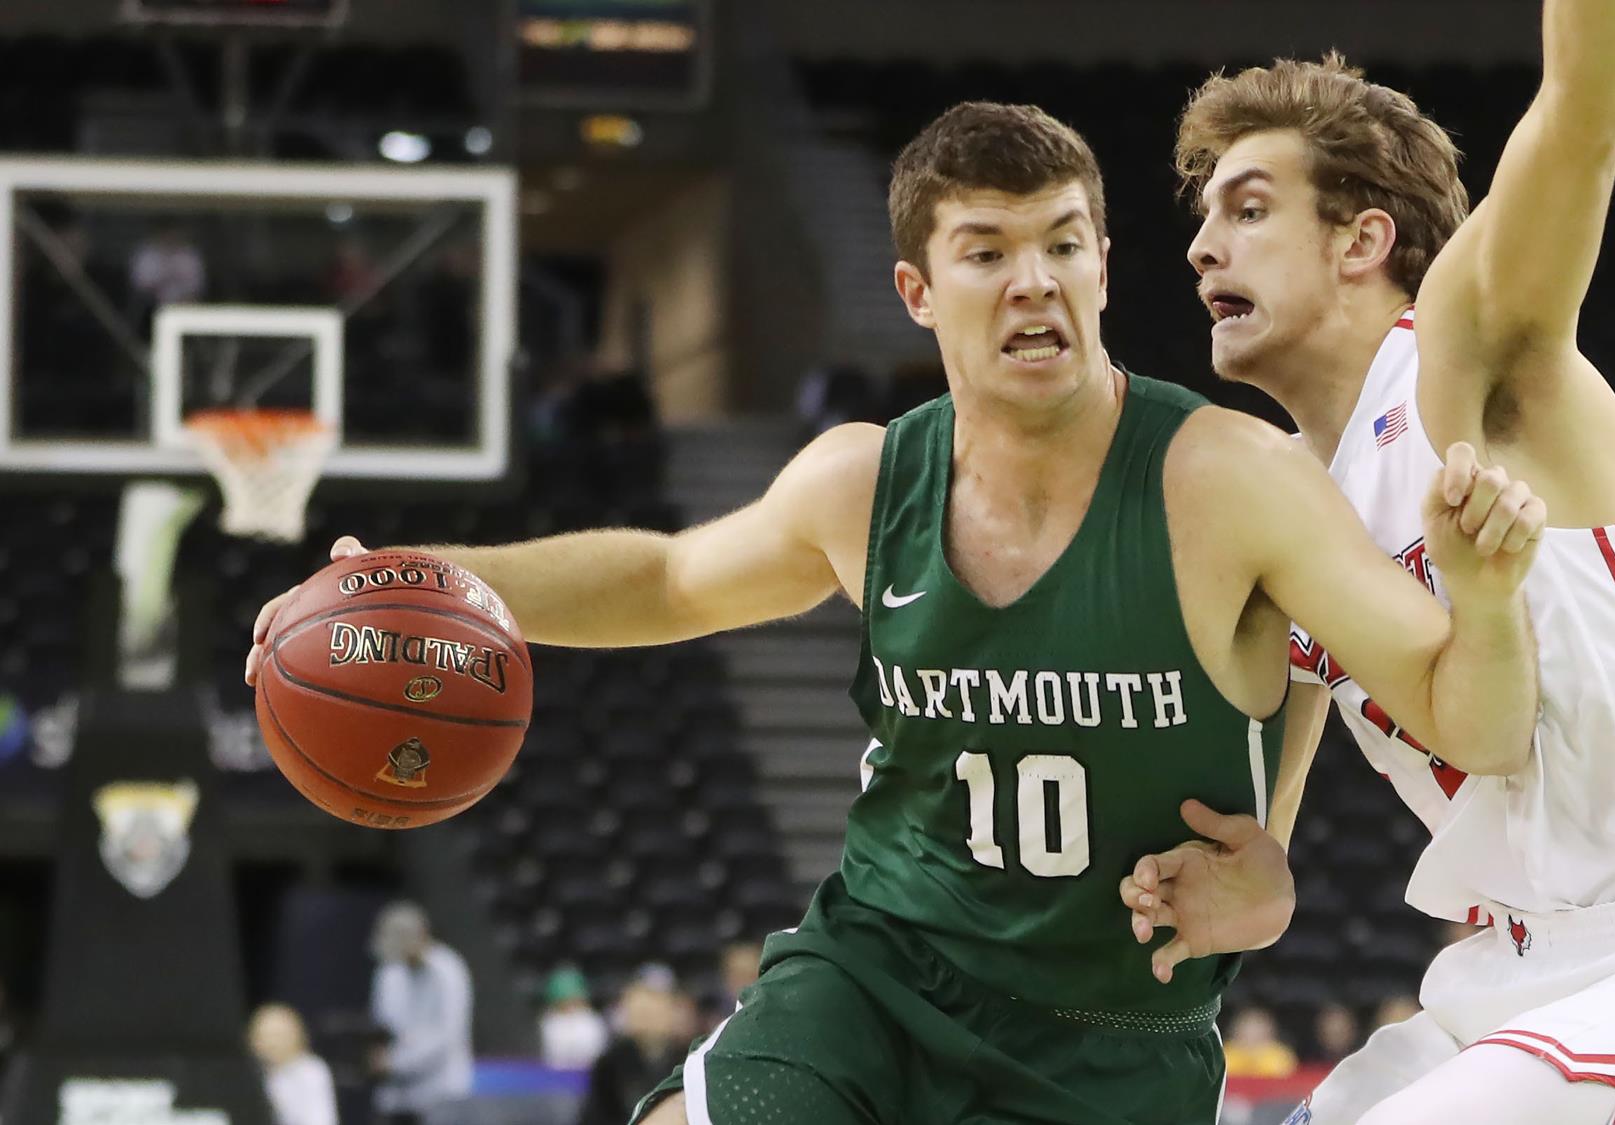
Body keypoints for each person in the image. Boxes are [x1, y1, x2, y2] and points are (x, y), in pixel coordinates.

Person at [248, 101, 1548, 1125]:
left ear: (1105, 263)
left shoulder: (1234, 481)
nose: (1033, 282)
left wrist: (1483, 603)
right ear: (919, 292)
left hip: (1111, 1034)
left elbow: (1472, 723)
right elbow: (667, 577)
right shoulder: (865, 479)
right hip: (878, 975)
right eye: (987, 253)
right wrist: (412, 576)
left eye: (1062, 243)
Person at [1119, 4, 1615, 1123]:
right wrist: (1251, 875)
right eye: (1204, 216)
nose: (1201, 245)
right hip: (1499, 983)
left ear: (1360, 241)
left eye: (1248, 208)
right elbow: (1268, 818)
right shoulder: (1278, 515)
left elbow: (1582, 113)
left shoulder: (1459, 357)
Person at [367, 903, 473, 1125]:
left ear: (422, 936)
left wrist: (396, 1063)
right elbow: (382, 1023)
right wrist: (379, 1054)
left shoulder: (448, 970)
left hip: (440, 1093)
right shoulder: (390, 971)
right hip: (397, 1096)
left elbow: (447, 1035)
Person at [577, 967, 699, 1125]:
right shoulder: (609, 1064)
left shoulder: (691, 1062)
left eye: (655, 1005)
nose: (645, 1012)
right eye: (639, 1005)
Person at [248, 1003, 339, 1125]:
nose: (270, 1043)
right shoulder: (252, 1072)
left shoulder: (311, 1070)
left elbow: (321, 1120)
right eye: (263, 1036)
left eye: (277, 1036)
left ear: (296, 1035)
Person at [540, 963, 610, 1071]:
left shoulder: (592, 1022)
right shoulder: (548, 1023)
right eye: (563, 1002)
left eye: (574, 1000)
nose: (570, 1005)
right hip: (555, 1078)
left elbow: (598, 1055)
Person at [1222, 1006, 1298, 1078]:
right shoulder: (1224, 1054)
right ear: (1236, 1034)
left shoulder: (1282, 1055)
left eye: (1258, 1036)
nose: (1252, 1042)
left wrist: (1258, 1058)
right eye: (1246, 1035)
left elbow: (1284, 1074)